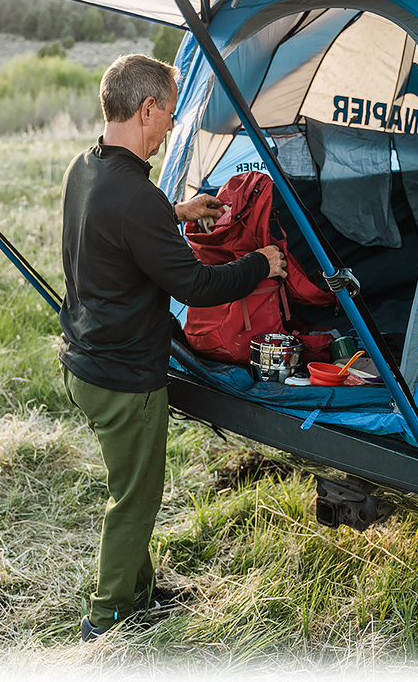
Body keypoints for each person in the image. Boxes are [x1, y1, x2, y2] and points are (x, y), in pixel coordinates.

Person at [58, 54, 287, 642]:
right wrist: (259, 263)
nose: (171, 125)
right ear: (147, 108)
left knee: (130, 487)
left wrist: (176, 213)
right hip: (123, 375)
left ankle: (139, 590)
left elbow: (120, 225)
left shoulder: (86, 169)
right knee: (134, 498)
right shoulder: (136, 197)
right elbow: (196, 285)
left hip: (85, 360)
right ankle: (108, 618)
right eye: (170, 112)